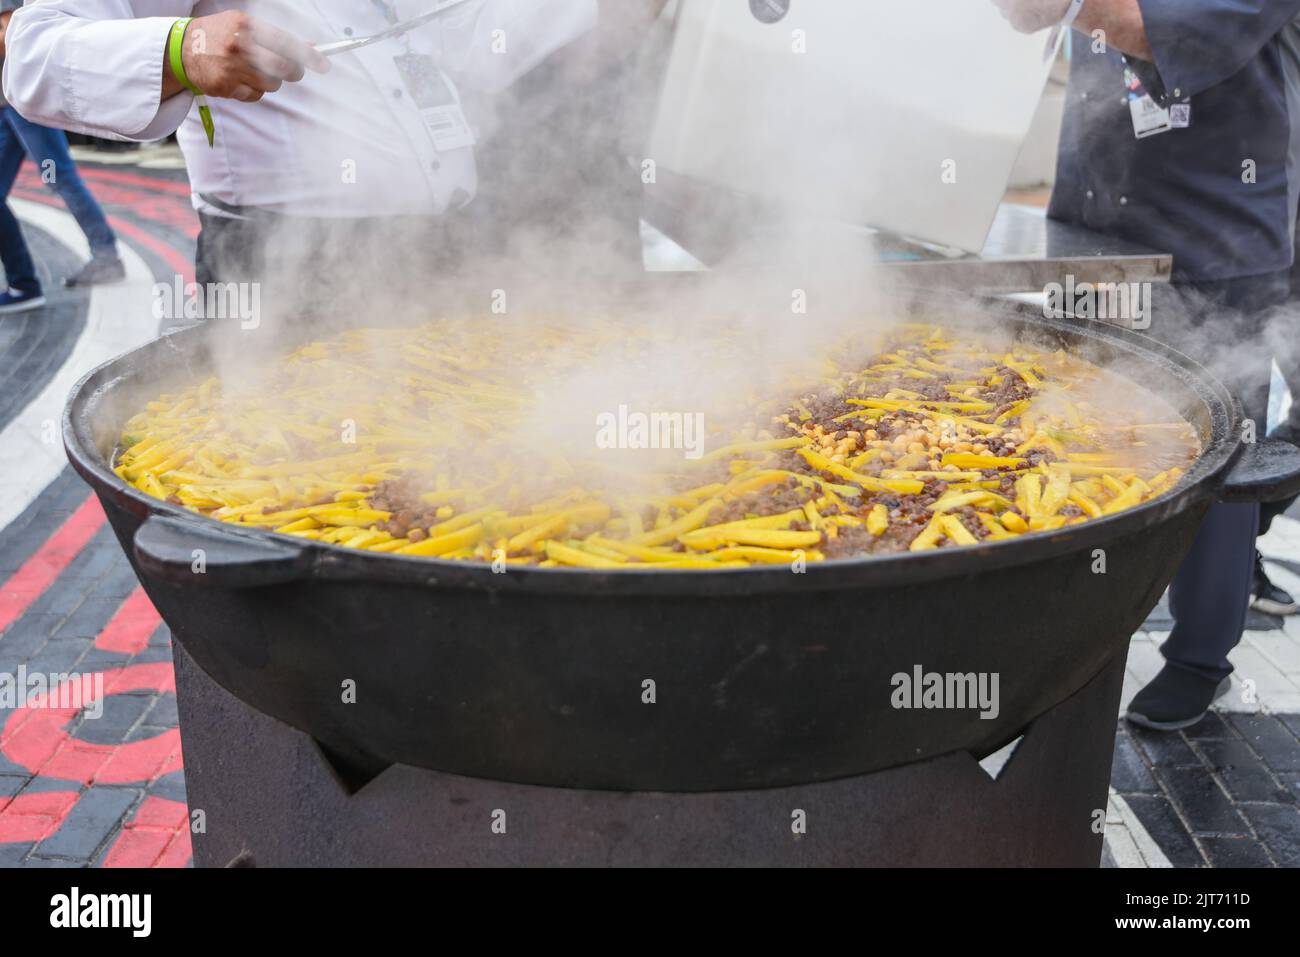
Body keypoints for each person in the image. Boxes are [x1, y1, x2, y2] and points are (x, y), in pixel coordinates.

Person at [995, 0, 1300, 728]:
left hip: (1215, 227)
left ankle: (1200, 656)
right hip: (1094, 219)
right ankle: (1070, 634)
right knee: (1074, 430)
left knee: (1214, 453)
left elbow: (1150, 28)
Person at [2, 1, 619, 312]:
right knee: (312, 498)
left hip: (446, 249)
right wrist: (182, 49)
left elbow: (473, 44)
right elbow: (32, 54)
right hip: (287, 268)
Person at [0, 0, 125, 314]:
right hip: (8, 106)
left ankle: (106, 256)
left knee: (61, 178)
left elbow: (11, 33)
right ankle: (23, 284)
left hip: (25, 104)